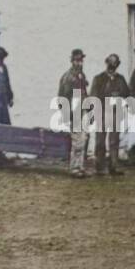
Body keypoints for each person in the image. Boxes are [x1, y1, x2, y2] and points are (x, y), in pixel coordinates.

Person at [89, 54, 130, 175]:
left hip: (115, 113)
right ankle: (100, 167)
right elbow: (93, 96)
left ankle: (114, 166)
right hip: (101, 113)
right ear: (106, 64)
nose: (112, 68)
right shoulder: (98, 78)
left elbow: (127, 94)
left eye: (115, 65)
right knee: (100, 141)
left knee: (114, 141)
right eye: (110, 65)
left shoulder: (120, 79)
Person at [57, 47, 90, 178]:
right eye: (77, 60)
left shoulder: (81, 76)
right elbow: (62, 98)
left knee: (83, 140)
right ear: (72, 61)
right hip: (74, 112)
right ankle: (74, 168)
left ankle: (80, 166)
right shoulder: (68, 77)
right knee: (77, 141)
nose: (79, 63)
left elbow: (84, 93)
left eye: (81, 60)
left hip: (82, 111)